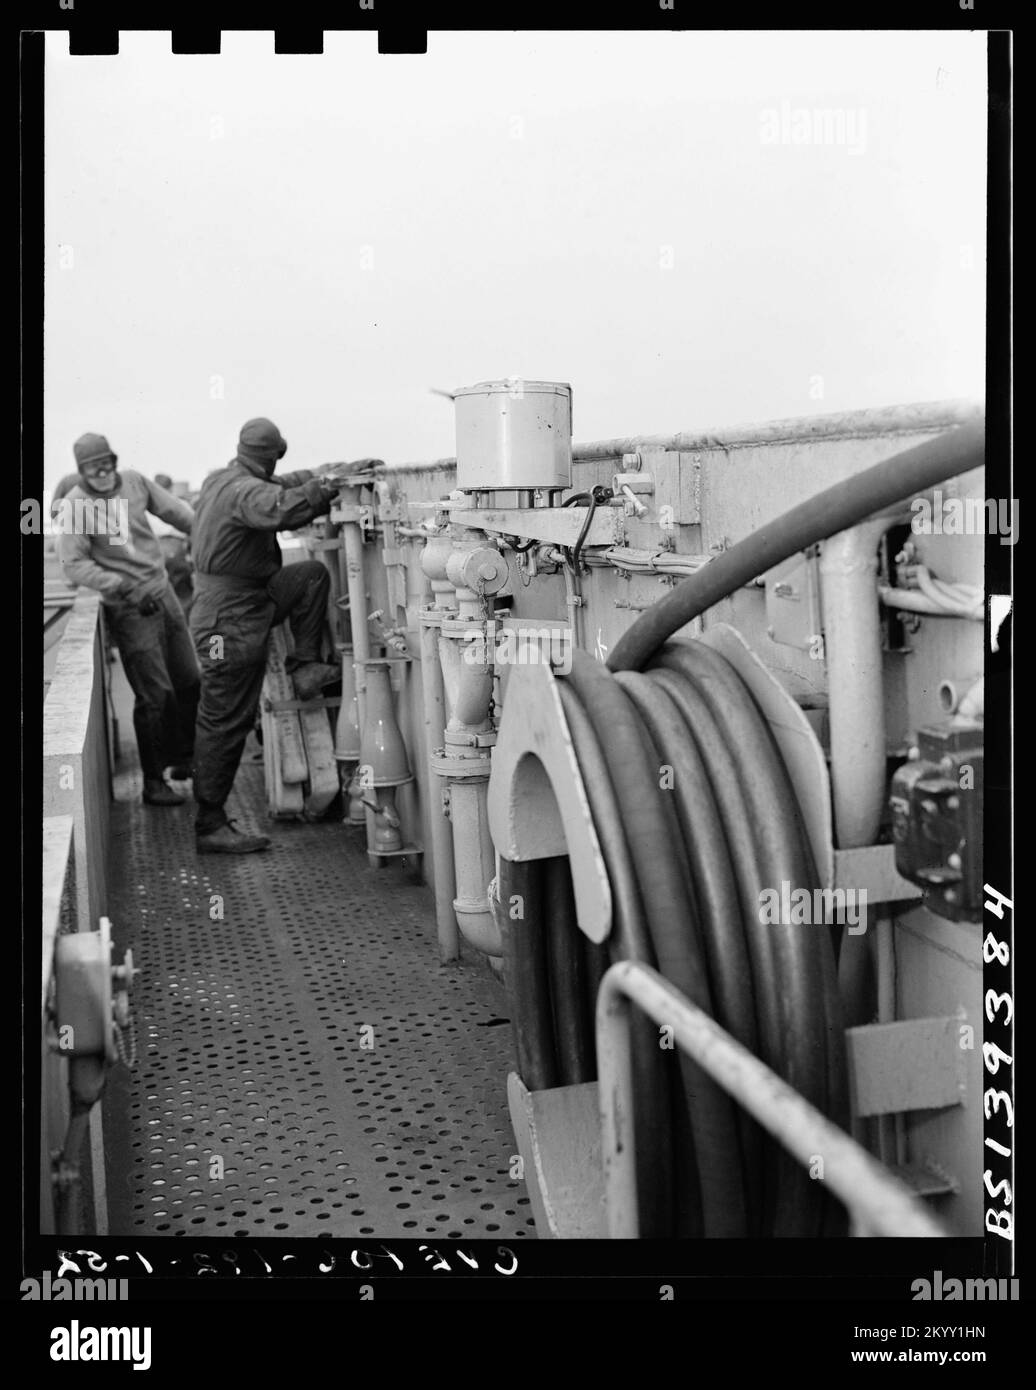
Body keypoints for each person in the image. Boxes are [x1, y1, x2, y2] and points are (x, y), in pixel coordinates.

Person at [189, 417, 378, 853]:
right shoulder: (248, 493)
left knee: (310, 576)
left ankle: (306, 667)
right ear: (276, 451)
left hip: (247, 601)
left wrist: (333, 471)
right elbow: (282, 506)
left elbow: (283, 483)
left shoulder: (224, 478)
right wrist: (327, 489)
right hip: (228, 619)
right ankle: (209, 824)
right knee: (223, 719)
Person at [56, 433, 200, 806]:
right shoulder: (75, 507)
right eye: (92, 467)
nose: (102, 472)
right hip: (130, 606)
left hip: (163, 591)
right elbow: (73, 564)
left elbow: (178, 514)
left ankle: (184, 759)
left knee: (189, 679)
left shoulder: (135, 482)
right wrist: (120, 586)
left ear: (115, 460)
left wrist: (208, 533)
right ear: (81, 471)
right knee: (155, 694)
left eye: (106, 462)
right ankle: (154, 782)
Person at [150, 472, 196, 619]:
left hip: (155, 551)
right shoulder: (181, 504)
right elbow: (193, 528)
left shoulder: (147, 506)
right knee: (182, 594)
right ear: (170, 488)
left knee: (159, 594)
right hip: (177, 549)